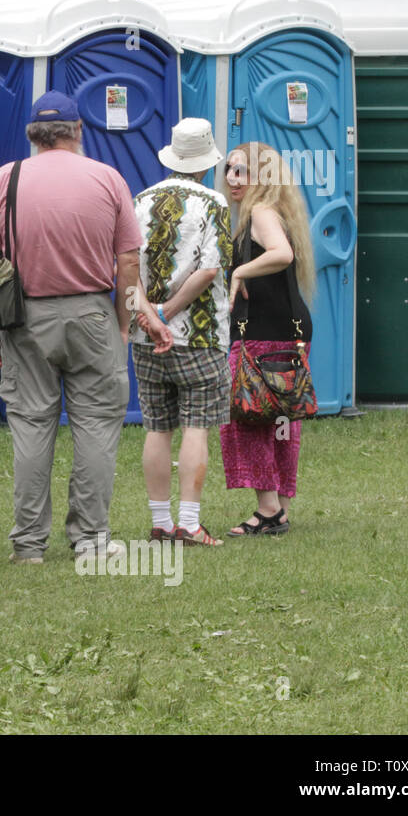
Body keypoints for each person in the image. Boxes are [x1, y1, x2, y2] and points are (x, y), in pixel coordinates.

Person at [0, 90, 171, 564]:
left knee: (31, 429)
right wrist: (123, 321)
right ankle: (91, 540)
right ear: (78, 130)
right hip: (93, 314)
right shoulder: (107, 178)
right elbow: (127, 260)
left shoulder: (5, 179)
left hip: (25, 319)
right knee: (98, 427)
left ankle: (29, 545)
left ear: (31, 135)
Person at [132, 118, 233, 547]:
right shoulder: (215, 204)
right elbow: (210, 269)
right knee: (196, 426)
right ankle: (189, 524)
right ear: (207, 162)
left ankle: (160, 522)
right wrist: (171, 310)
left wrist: (150, 315)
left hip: (145, 337)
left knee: (157, 427)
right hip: (201, 334)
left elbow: (122, 269)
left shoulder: (138, 200)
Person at [219, 142, 316, 536]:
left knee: (247, 418)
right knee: (280, 420)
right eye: (228, 169)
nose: (231, 178)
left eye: (241, 171)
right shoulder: (274, 211)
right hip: (289, 332)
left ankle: (268, 510)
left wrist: (240, 273)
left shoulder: (259, 213)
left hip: (262, 335)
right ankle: (279, 508)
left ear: (262, 176)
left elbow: (281, 254)